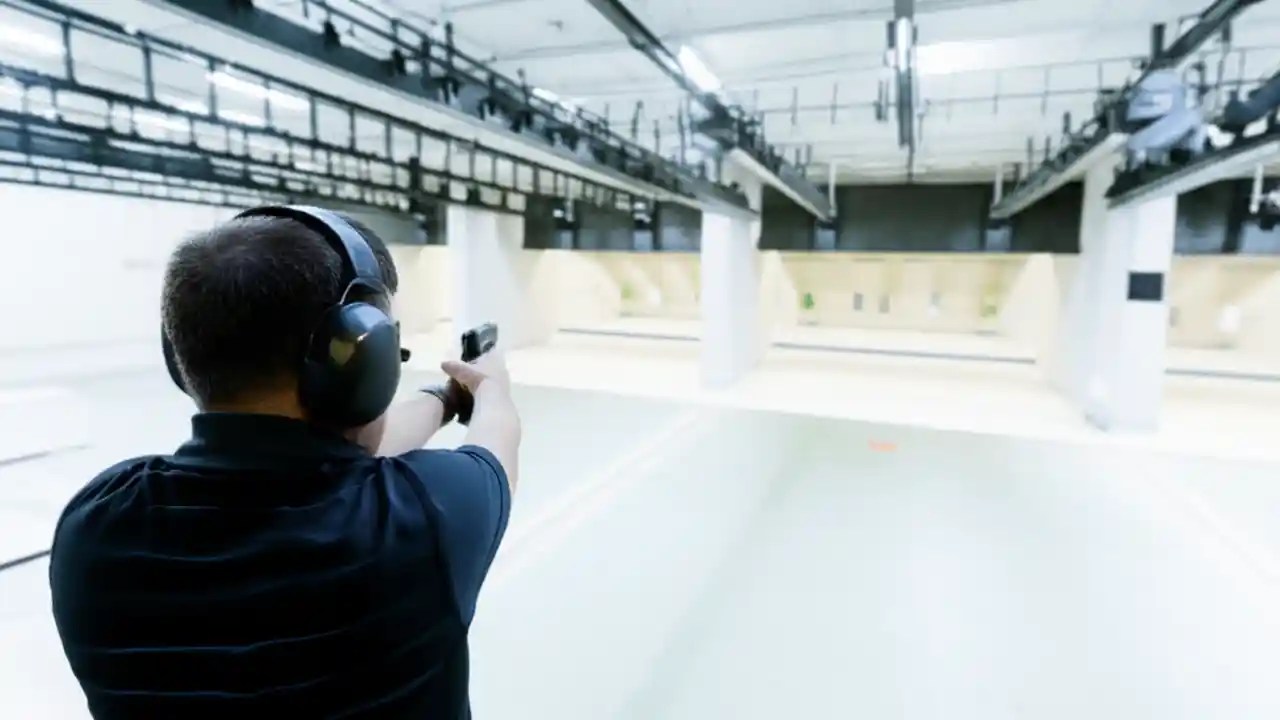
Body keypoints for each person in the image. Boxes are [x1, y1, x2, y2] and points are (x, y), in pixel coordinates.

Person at [48, 208, 521, 719]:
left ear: (182, 357)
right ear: (365, 362)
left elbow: (329, 460)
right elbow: (496, 438)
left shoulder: (95, 525)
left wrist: (444, 398)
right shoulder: (424, 517)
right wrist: (488, 388)